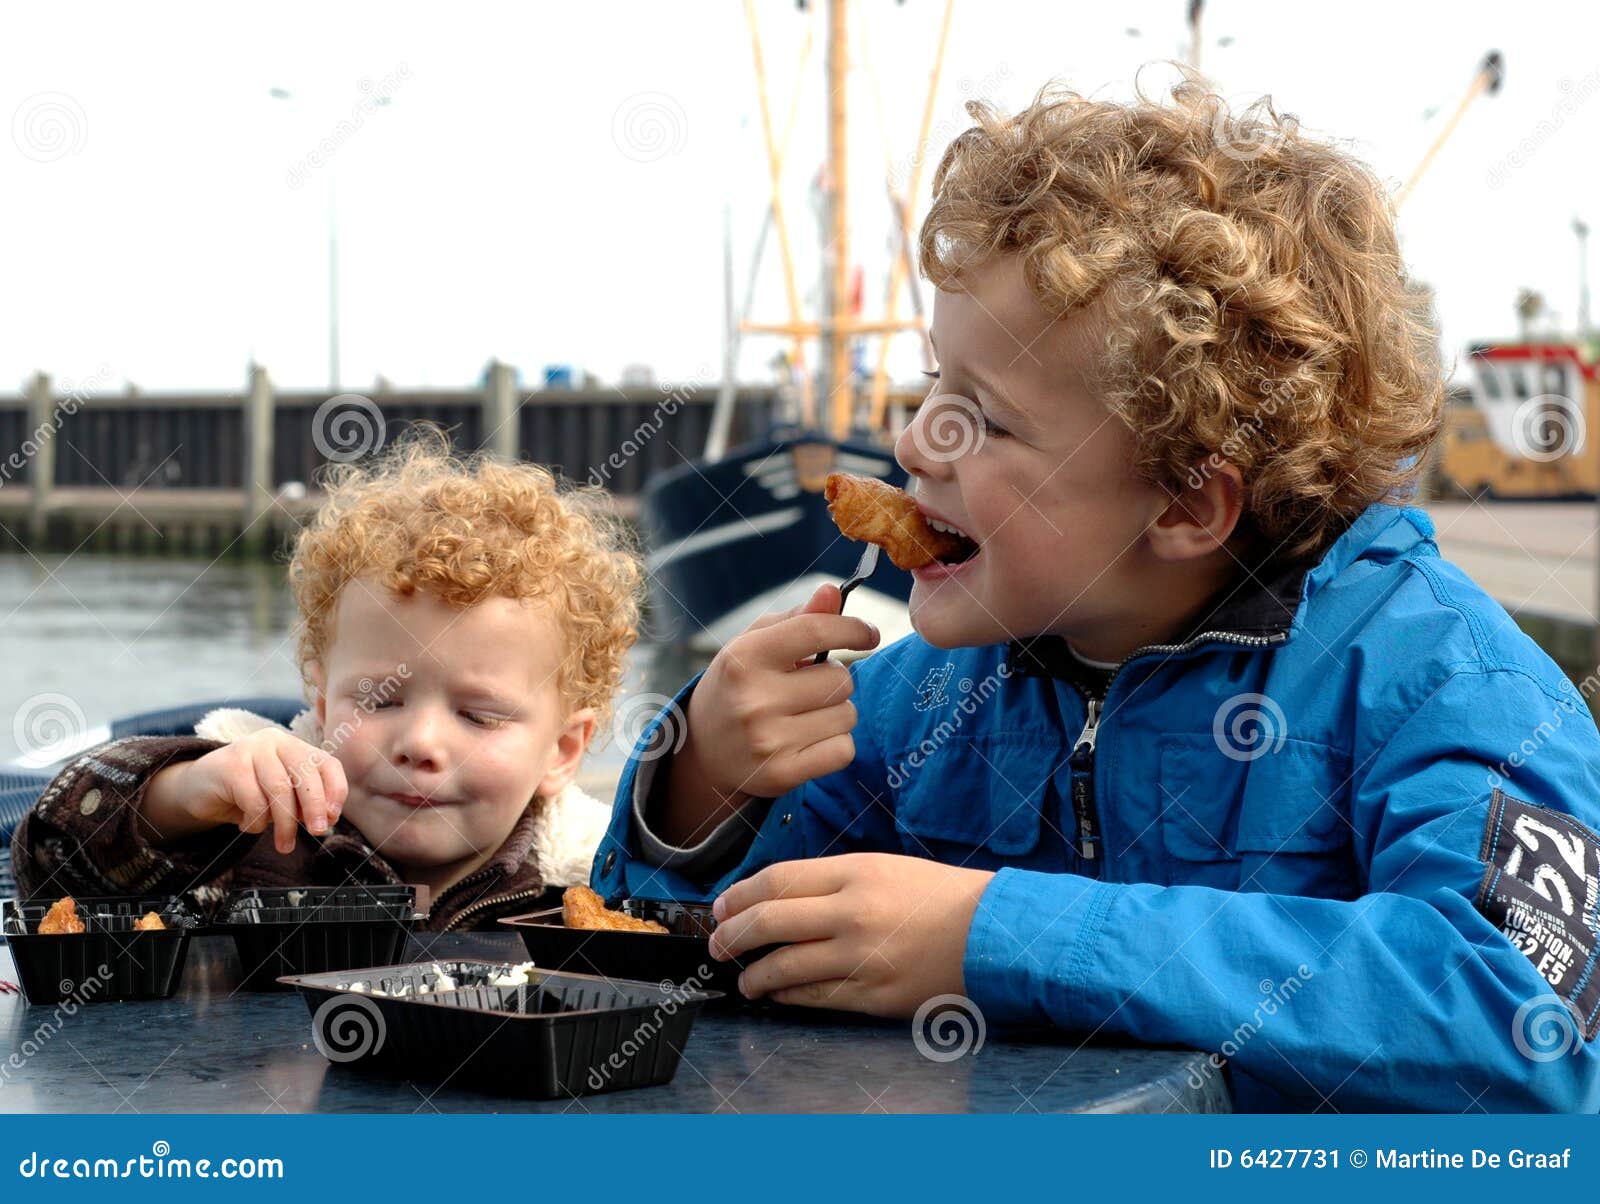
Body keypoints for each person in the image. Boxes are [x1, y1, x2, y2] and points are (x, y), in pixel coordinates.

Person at [595, 83, 1600, 1111]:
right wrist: (702, 786)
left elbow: (1527, 1026)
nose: (912, 442)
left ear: (1185, 504)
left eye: (983, 418)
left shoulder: (1443, 684)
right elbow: (659, 955)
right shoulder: (922, 700)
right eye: (933, 384)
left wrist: (994, 936)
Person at [14, 430, 642, 930]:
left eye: (479, 715)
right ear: (322, 706)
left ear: (562, 750)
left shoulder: (598, 884)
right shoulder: (252, 828)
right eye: (380, 700)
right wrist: (184, 797)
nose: (420, 743)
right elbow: (52, 865)